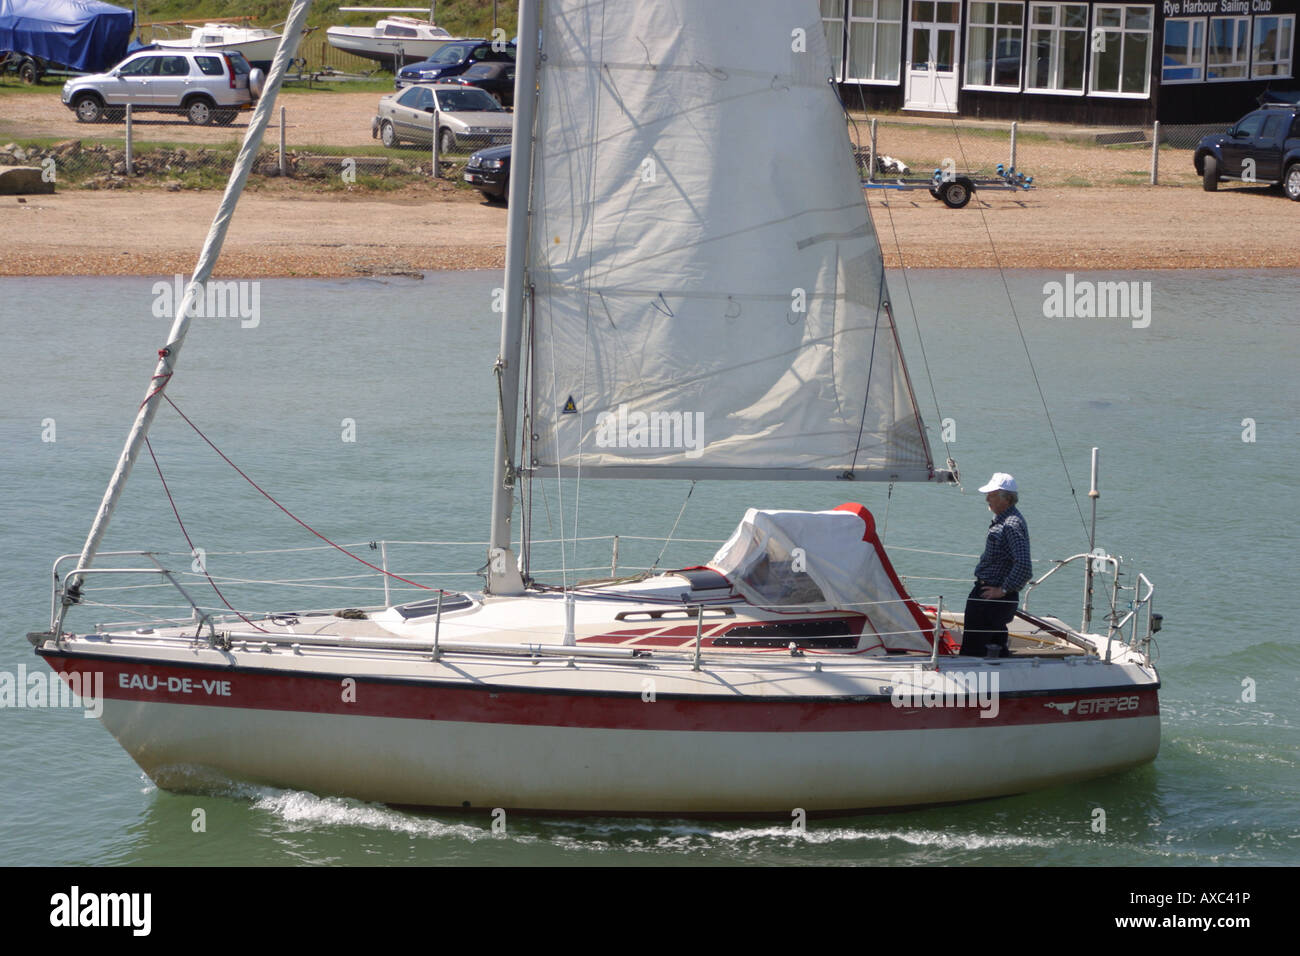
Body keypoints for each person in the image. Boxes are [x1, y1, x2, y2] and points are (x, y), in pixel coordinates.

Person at [960, 473, 1031, 657]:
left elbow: (1024, 565)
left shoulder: (1011, 524)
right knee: (992, 649)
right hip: (989, 597)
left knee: (973, 651)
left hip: (992, 600)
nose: (987, 499)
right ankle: (998, 681)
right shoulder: (1005, 520)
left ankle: (978, 683)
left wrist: (1002, 590)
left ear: (1005, 498)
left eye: (991, 495)